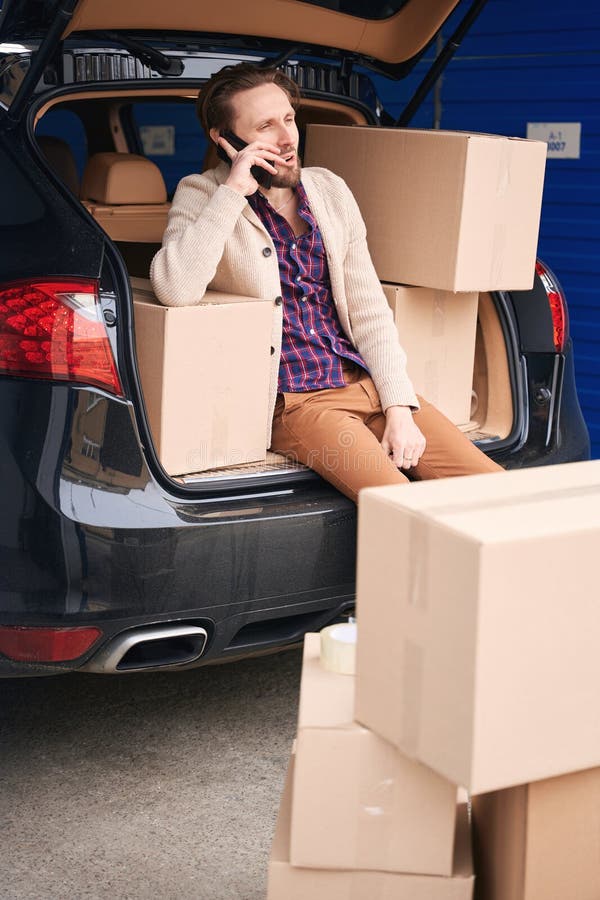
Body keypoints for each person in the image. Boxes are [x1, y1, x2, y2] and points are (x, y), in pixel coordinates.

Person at [150, 63, 502, 502]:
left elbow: (370, 309)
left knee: (499, 492)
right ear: (225, 139)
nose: (287, 138)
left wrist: (399, 406)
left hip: (365, 383)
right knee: (401, 503)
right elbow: (175, 288)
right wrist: (233, 192)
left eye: (289, 119)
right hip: (298, 401)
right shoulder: (202, 194)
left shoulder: (329, 189)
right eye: (265, 126)